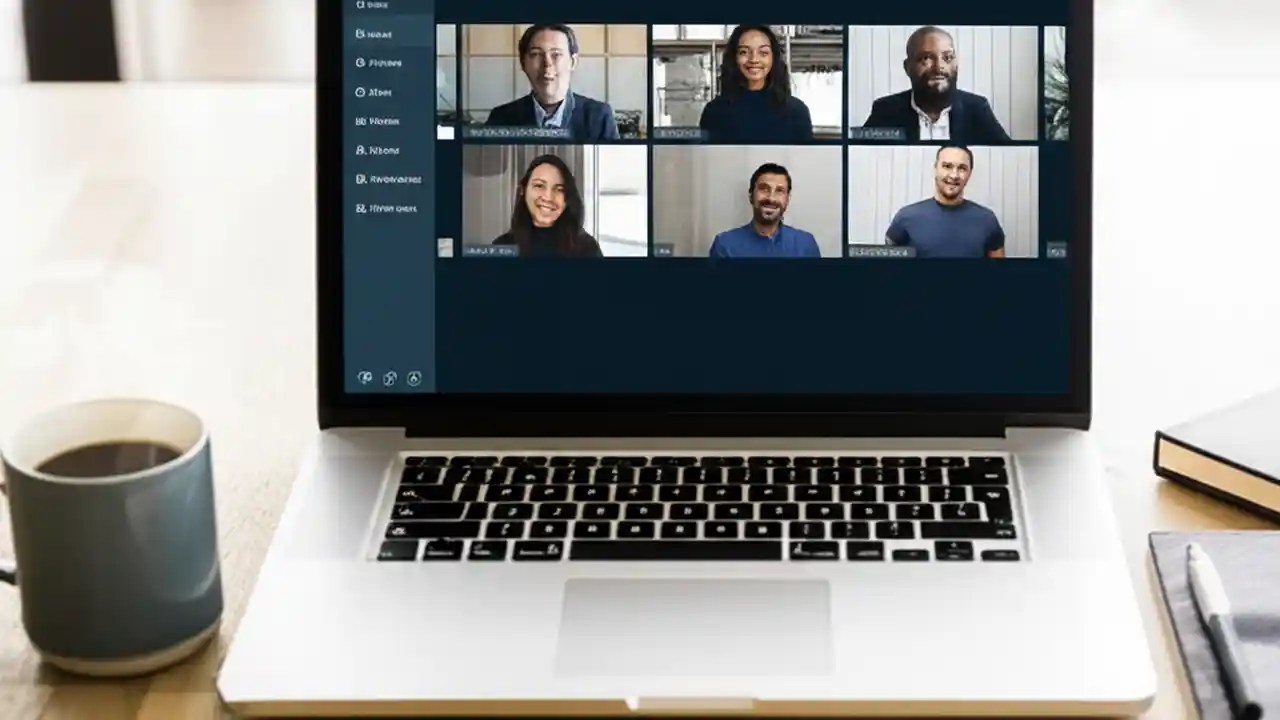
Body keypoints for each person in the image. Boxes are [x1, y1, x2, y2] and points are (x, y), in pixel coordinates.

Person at [862, 26, 1011, 143]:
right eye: (926, 58)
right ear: (907, 68)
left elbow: (1007, 151)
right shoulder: (886, 110)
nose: (939, 67)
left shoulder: (977, 109)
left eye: (948, 57)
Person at [484, 24, 619, 141]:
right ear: (523, 63)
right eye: (536, 54)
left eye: (556, 54)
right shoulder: (500, 118)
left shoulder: (599, 116)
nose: (547, 64)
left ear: (572, 62)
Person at [885, 145, 1006, 258]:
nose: (954, 175)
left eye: (962, 168)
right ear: (936, 168)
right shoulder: (906, 217)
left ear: (970, 173)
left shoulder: (987, 220)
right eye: (947, 166)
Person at [698, 25, 813, 143]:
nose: (754, 59)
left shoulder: (796, 111)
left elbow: (804, 154)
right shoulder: (714, 111)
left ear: (773, 58)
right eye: (744, 52)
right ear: (734, 58)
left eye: (763, 53)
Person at [492, 155, 603, 257]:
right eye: (539, 185)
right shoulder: (502, 247)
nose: (548, 197)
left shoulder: (587, 248)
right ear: (523, 190)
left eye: (559, 189)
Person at [708, 163, 821, 258]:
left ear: (787, 199)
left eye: (779, 191)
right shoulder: (725, 245)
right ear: (751, 195)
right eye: (764, 189)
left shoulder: (805, 244)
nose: (771, 198)